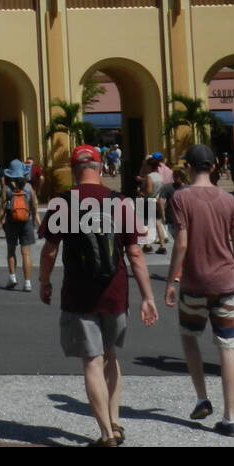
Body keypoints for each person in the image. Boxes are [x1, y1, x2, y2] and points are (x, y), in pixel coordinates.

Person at [40, 146, 158, 446]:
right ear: (100, 167)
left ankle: (106, 433)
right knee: (110, 356)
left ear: (73, 168)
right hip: (115, 290)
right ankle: (115, 422)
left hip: (79, 293)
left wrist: (44, 281)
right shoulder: (119, 202)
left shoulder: (63, 203)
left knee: (92, 361)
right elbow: (134, 253)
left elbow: (50, 249)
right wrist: (147, 296)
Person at [165, 144, 234, 437]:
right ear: (214, 167)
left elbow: (182, 243)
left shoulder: (180, 198)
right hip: (226, 282)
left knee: (189, 338)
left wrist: (173, 279)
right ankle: (230, 417)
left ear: (188, 167)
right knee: (227, 347)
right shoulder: (228, 200)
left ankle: (201, 398)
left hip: (194, 283)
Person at [1, 159, 38, 291]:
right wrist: (33, 220)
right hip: (26, 221)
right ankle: (27, 282)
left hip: (11, 221)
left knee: (11, 250)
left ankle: (12, 278)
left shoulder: (6, 188)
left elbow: (3, 206)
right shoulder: (29, 188)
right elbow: (34, 205)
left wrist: (0, 220)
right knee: (26, 253)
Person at [158, 166, 189, 245]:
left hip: (182, 219)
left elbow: (161, 202)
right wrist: (163, 215)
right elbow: (161, 202)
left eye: (176, 176)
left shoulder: (188, 188)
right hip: (173, 219)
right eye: (174, 176)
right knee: (181, 241)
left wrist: (163, 215)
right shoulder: (168, 187)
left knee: (181, 241)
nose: (174, 177)